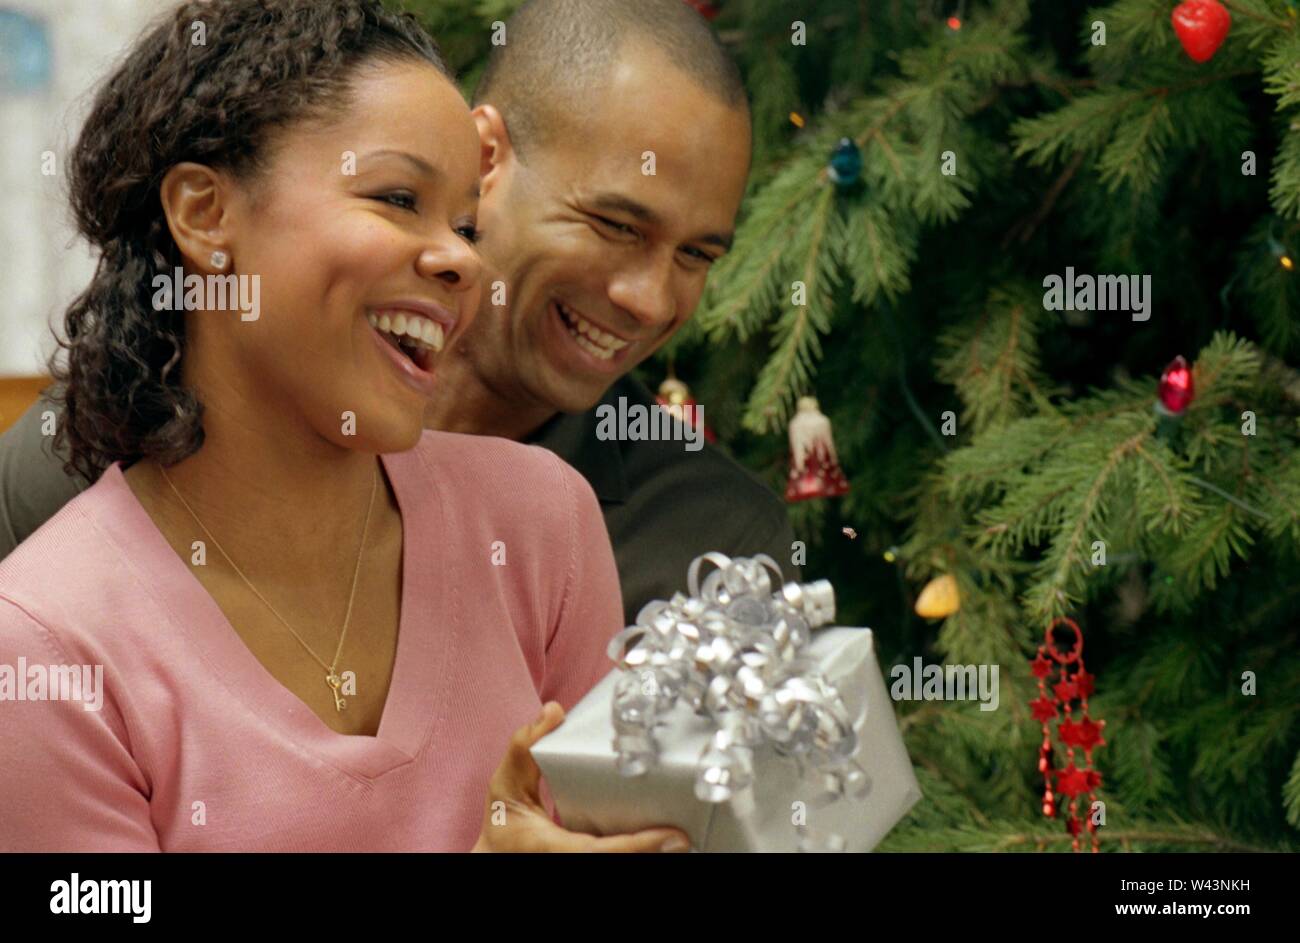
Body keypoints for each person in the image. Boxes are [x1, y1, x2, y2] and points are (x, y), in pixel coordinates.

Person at [0, 0, 689, 854]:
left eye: (467, 225)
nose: (462, 259)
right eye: (398, 197)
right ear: (205, 216)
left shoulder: (542, 524)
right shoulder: (43, 646)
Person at [0, 0, 797, 623]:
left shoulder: (706, 543)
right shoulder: (90, 452)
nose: (651, 299)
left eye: (698, 255)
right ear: (483, 156)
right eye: (616, 225)